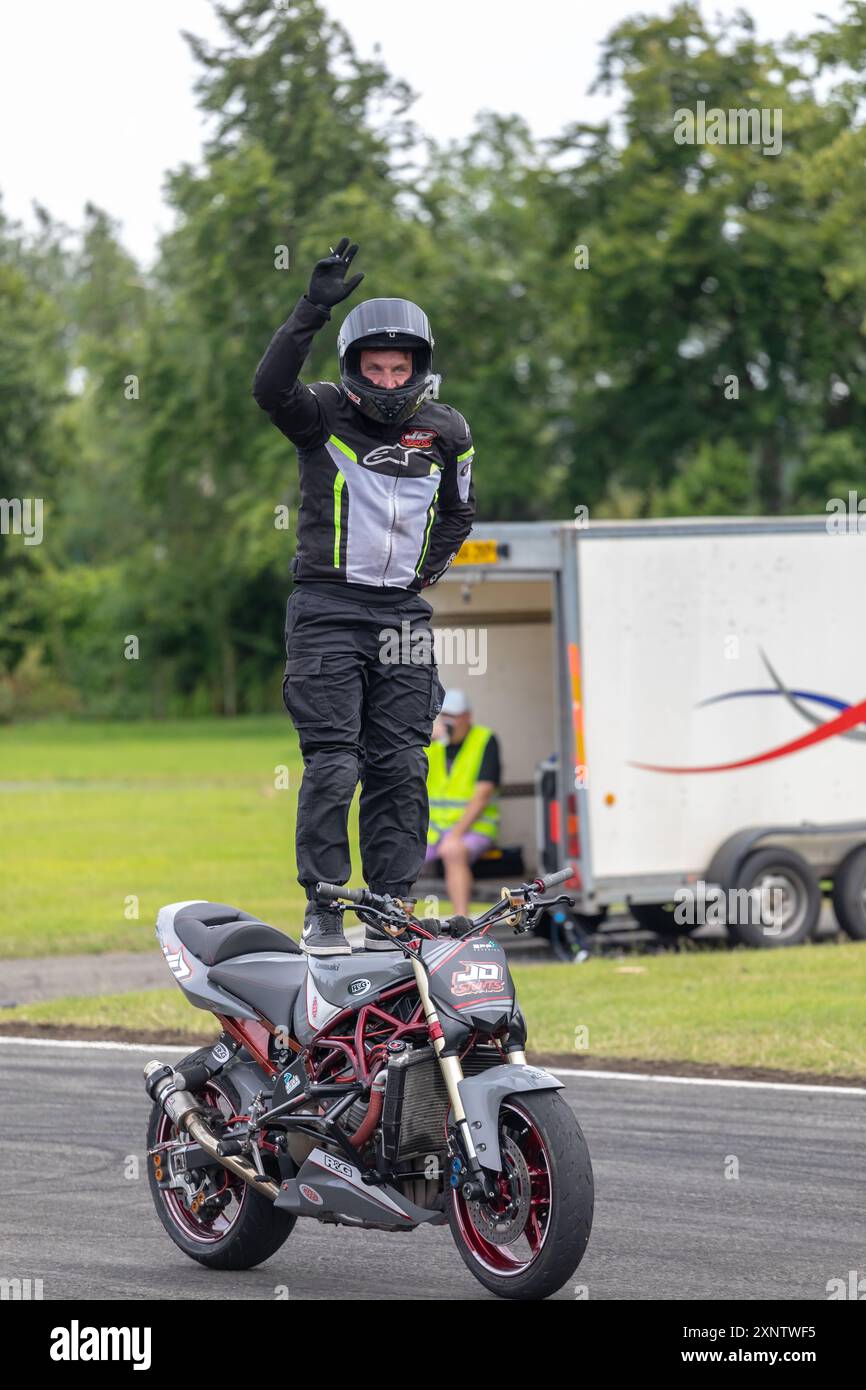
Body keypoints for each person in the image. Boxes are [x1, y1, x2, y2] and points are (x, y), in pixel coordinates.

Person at [252, 238, 476, 955]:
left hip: (402, 616)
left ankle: (390, 908)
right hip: (326, 609)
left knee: (402, 764)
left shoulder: (447, 431)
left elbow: (461, 514)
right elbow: (267, 388)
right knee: (335, 763)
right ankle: (323, 910)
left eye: (399, 366)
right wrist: (312, 307)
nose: (387, 377)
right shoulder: (319, 414)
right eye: (375, 366)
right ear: (353, 370)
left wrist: (425, 576)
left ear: (418, 369)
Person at [425, 689, 501, 916]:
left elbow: (483, 794)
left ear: (467, 717)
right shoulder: (432, 743)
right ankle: (397, 925)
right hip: (434, 831)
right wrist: (424, 739)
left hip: (472, 829)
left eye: (454, 716)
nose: (448, 721)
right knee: (399, 854)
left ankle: (461, 921)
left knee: (454, 851)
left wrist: (456, 834)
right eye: (444, 715)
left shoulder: (484, 740)